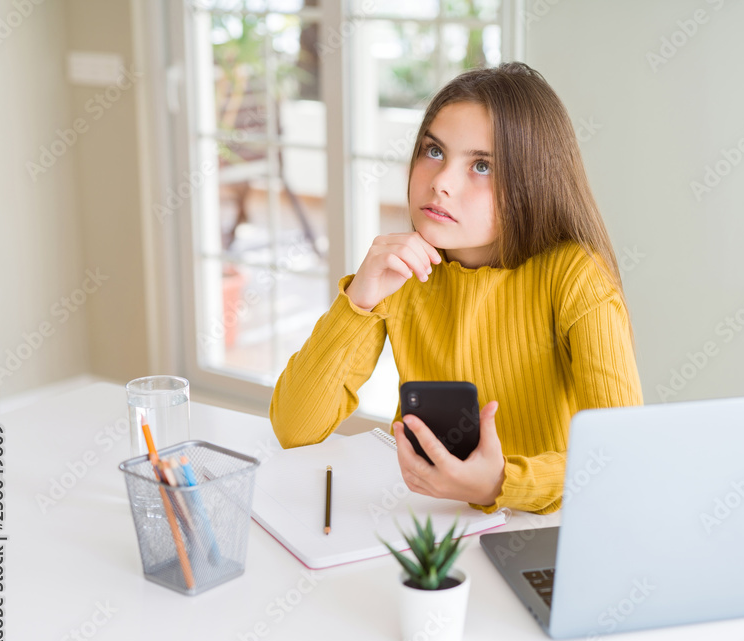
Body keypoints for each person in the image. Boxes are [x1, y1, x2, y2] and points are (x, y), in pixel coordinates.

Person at [269, 62, 643, 514]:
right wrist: (359, 301)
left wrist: (500, 482)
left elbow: (621, 459)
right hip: (430, 520)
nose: (441, 182)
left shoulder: (575, 276)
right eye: (433, 151)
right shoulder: (402, 270)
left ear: (533, 182)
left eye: (481, 165)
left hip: (542, 526)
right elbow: (294, 427)